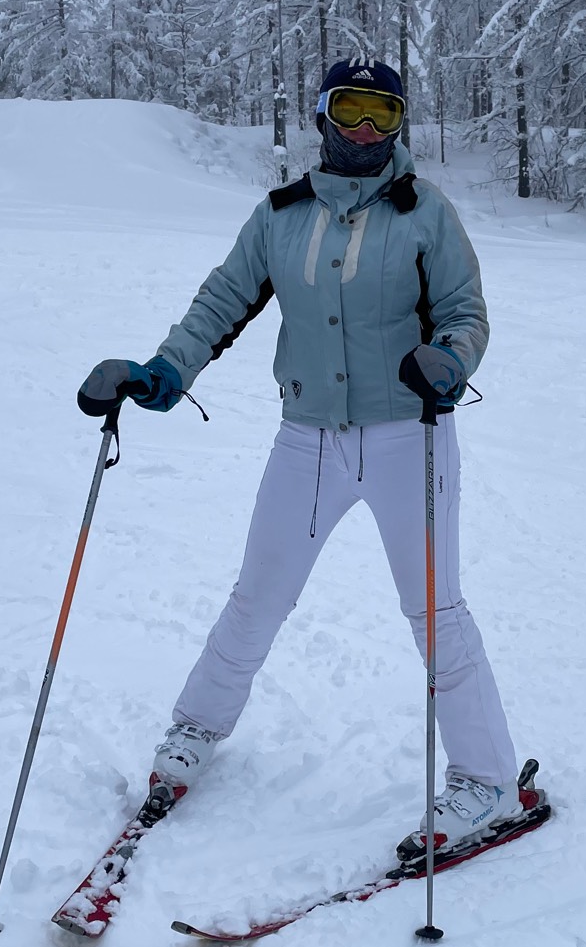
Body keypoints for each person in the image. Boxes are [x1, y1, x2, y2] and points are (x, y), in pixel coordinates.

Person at [76, 60, 521, 861]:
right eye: (348, 110)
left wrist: (451, 361)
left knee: (434, 611)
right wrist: (163, 373)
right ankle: (196, 728)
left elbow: (464, 312)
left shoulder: (426, 212)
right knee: (259, 595)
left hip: (407, 435)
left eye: (379, 115)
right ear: (321, 116)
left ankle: (485, 778)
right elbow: (222, 301)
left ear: (398, 125)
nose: (362, 130)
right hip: (306, 438)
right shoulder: (281, 215)